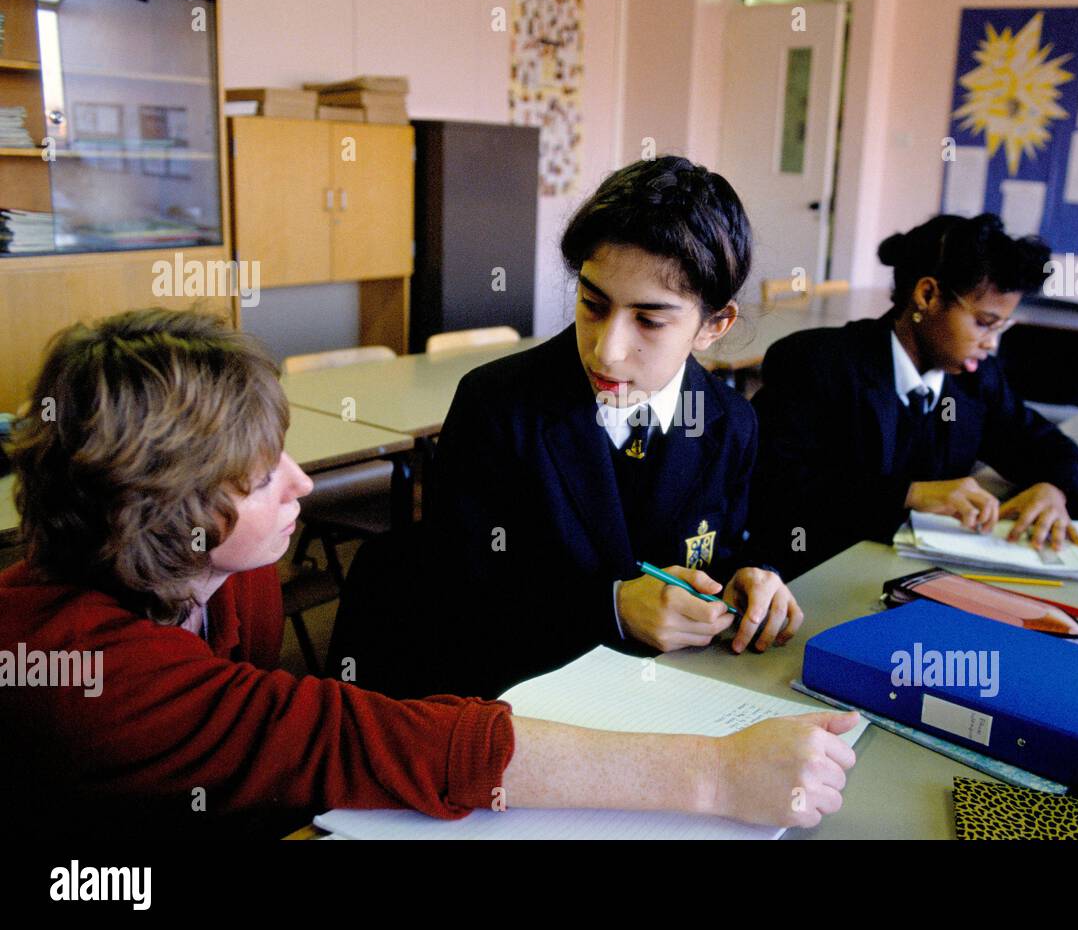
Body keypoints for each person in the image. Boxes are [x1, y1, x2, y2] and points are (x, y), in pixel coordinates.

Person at [0, 308, 855, 839]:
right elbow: (347, 738)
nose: (302, 483)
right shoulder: (83, 671)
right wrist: (716, 775)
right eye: (261, 478)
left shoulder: (228, 567)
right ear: (165, 514)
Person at [330, 156, 803, 699]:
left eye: (649, 320)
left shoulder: (731, 420)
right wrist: (612, 609)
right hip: (524, 701)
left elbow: (718, 548)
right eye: (592, 305)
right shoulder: (498, 406)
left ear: (714, 326)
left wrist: (748, 578)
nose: (607, 349)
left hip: (676, 695)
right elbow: (460, 595)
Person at [748, 213, 1078, 579]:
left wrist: (1054, 490)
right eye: (983, 323)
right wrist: (909, 494)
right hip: (811, 578)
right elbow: (773, 487)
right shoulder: (820, 364)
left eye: (1001, 327)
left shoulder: (975, 380)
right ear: (927, 295)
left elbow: (1050, 448)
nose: (991, 344)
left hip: (921, 578)